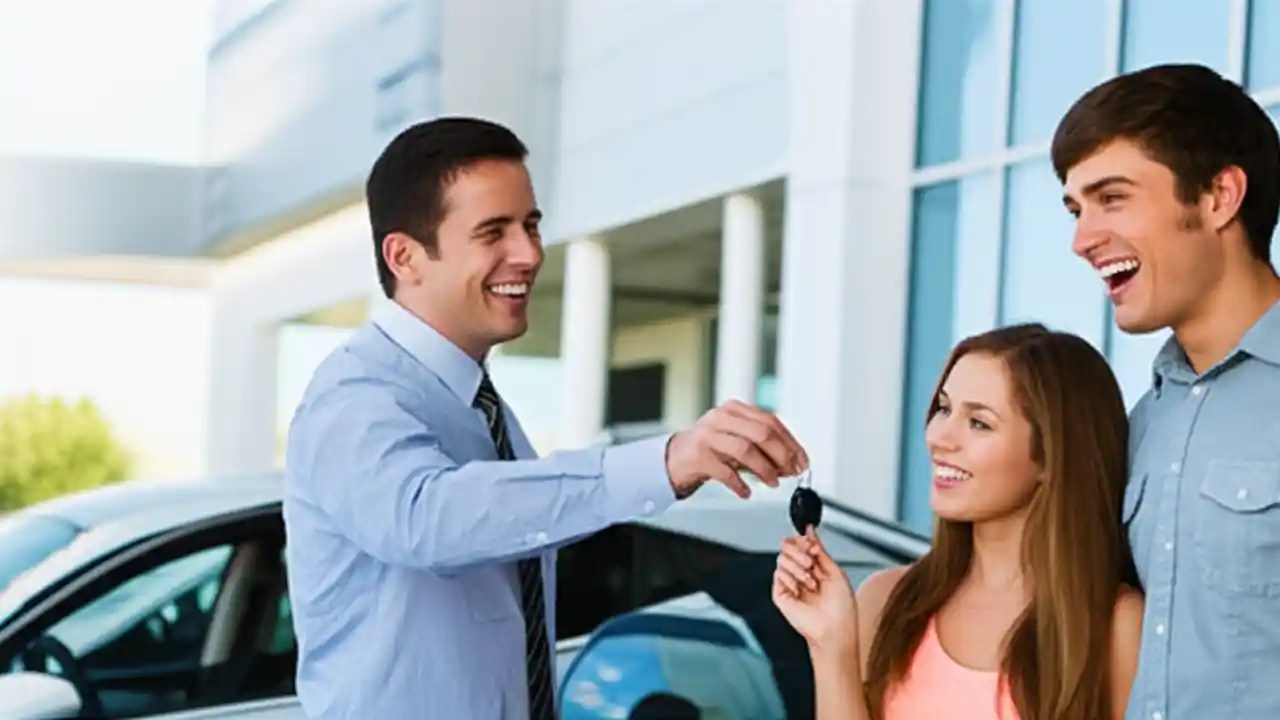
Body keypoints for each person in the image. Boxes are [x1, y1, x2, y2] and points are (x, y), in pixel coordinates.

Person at [282, 116, 809, 719]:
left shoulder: (482, 407)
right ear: (404, 256)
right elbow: (424, 519)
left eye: (531, 225)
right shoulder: (356, 394)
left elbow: (516, 530)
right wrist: (665, 461)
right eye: (493, 232)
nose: (529, 254)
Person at [1052, 63, 1280, 720]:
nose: (1081, 239)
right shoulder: (1146, 423)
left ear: (1217, 197)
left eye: (1112, 198)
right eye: (1075, 208)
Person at [772, 324, 1144, 720]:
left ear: (1052, 457)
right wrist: (829, 644)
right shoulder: (885, 601)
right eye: (944, 409)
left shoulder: (1116, 628)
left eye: (979, 423)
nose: (938, 437)